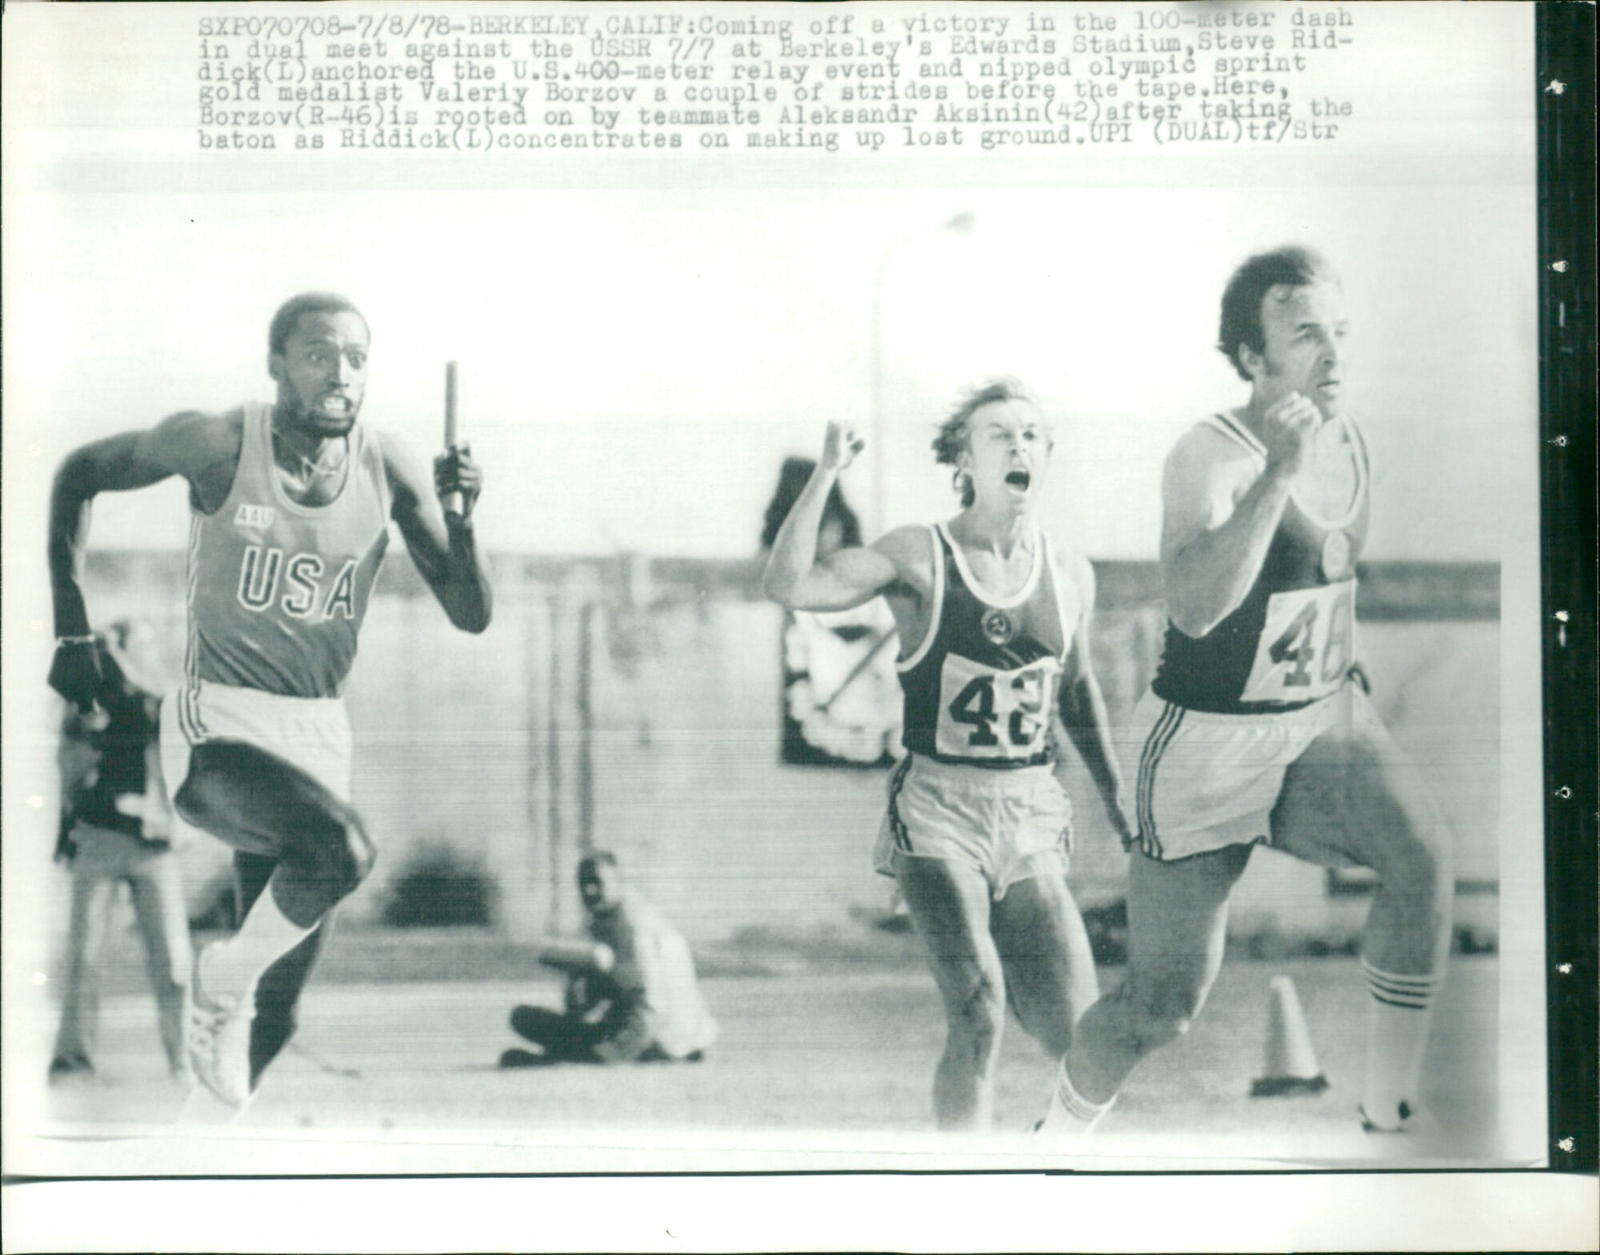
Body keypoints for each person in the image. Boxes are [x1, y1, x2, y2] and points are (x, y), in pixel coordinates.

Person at [1042, 247, 1453, 1137]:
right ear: (1253, 357)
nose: (1334, 354)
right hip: (1204, 744)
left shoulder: (1357, 442)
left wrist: (1346, 673)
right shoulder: (1209, 452)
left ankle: (1387, 1107)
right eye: (1305, 334)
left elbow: (1323, 586)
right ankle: (1056, 1141)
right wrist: (1279, 470)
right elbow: (1194, 610)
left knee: (1424, 859)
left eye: (1340, 331)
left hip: (1314, 721)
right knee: (1162, 1008)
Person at [46, 292, 493, 1108]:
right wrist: (72, 629)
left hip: (319, 731)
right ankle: (217, 976)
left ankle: (202, 1137)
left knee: (276, 1013)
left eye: (357, 358)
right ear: (276, 362)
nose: (341, 374)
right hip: (218, 717)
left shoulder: (383, 466)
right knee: (345, 852)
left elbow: (471, 613)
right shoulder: (217, 443)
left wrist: (463, 521)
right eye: (320, 353)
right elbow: (79, 473)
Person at [762, 381, 1133, 1131]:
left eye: (1032, 433)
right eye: (999, 433)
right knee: (979, 1008)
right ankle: (963, 1182)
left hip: (1028, 807)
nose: (1019, 445)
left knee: (1084, 1037)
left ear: (1048, 455)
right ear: (964, 459)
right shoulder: (920, 554)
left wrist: (1121, 799)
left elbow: (1077, 689)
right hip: (938, 807)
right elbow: (789, 584)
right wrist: (826, 472)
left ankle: (1050, 1158)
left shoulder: (1071, 574)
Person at [49, 619, 192, 1084]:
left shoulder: (160, 697)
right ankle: (73, 1057)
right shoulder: (89, 703)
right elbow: (68, 771)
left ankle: (185, 1057)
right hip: (99, 836)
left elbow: (164, 718)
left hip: (153, 841)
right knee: (85, 954)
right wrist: (63, 834)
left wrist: (122, 659)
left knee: (172, 959)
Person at [500, 852, 719, 1066]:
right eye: (583, 884)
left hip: (651, 1032)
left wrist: (576, 973)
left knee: (531, 1022)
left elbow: (643, 1000)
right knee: (523, 1017)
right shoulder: (639, 914)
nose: (589, 890)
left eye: (596, 882)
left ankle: (561, 1058)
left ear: (618, 882)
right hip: (683, 1035)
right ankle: (572, 1053)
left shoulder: (629, 926)